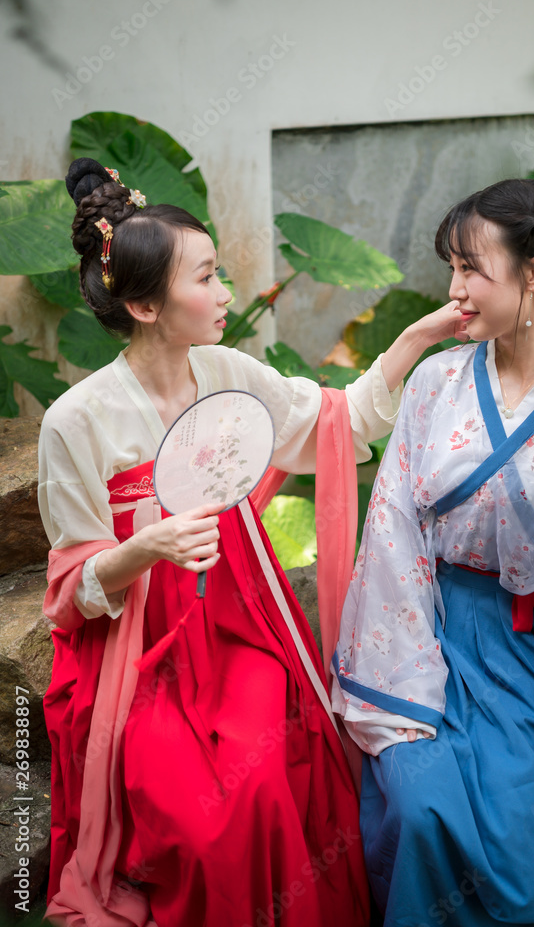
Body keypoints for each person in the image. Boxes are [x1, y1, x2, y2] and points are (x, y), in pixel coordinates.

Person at [38, 157, 469, 927]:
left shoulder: (227, 372)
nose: (226, 295)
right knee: (200, 815)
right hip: (141, 648)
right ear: (142, 304)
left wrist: (413, 339)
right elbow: (72, 591)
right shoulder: (77, 419)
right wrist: (148, 546)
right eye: (204, 279)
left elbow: (331, 423)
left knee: (268, 773)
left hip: (241, 618)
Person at [332, 178, 534, 927]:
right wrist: (404, 675)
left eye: (469, 269)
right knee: (418, 806)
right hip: (424, 635)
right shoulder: (435, 382)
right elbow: (390, 532)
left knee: (516, 829)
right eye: (450, 269)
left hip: (525, 651)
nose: (453, 291)